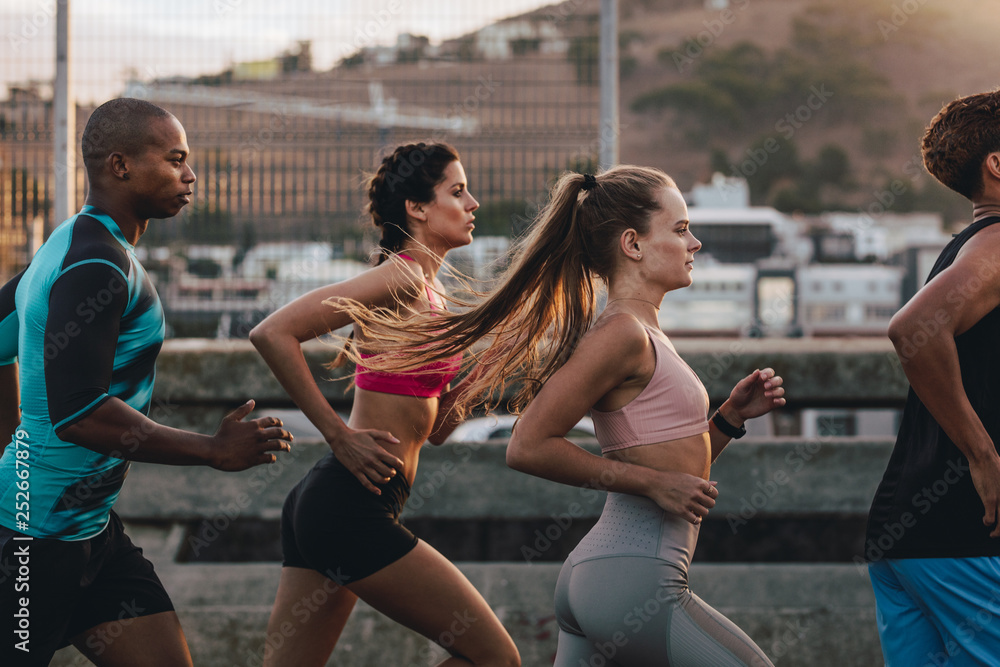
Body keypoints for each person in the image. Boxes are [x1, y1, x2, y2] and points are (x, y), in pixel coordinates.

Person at [348, 165, 786, 665]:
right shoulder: (621, 334)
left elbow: (671, 469)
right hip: (634, 582)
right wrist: (648, 484)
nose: (695, 244)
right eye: (681, 229)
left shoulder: (641, 333)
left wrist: (728, 419)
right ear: (633, 244)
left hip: (607, 577)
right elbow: (528, 446)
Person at [0, 98, 293, 667]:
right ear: (120, 165)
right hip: (34, 543)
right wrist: (210, 449)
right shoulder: (96, 266)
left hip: (90, 533)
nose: (190, 175)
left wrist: (12, 444)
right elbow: (80, 414)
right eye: (175, 159)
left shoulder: (70, 244)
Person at [248, 141, 521, 666]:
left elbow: (436, 430)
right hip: (349, 504)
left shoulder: (432, 294)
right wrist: (337, 435)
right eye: (457, 191)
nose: (473, 204)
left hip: (337, 503)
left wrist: (493, 366)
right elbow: (273, 332)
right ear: (417, 208)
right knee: (496, 659)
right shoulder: (405, 276)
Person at [865, 90, 1000, 665]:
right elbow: (912, 328)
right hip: (968, 532)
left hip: (911, 537)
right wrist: (983, 456)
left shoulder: (963, 247)